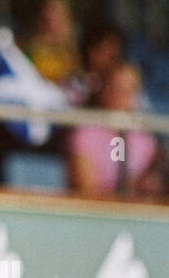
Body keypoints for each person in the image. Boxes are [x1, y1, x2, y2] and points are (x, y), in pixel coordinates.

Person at [68, 62, 163, 199]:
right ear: (104, 89)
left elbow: (152, 189)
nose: (122, 95)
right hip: (97, 214)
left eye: (129, 89)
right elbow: (86, 189)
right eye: (117, 88)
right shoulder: (86, 133)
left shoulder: (146, 139)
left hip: (136, 214)